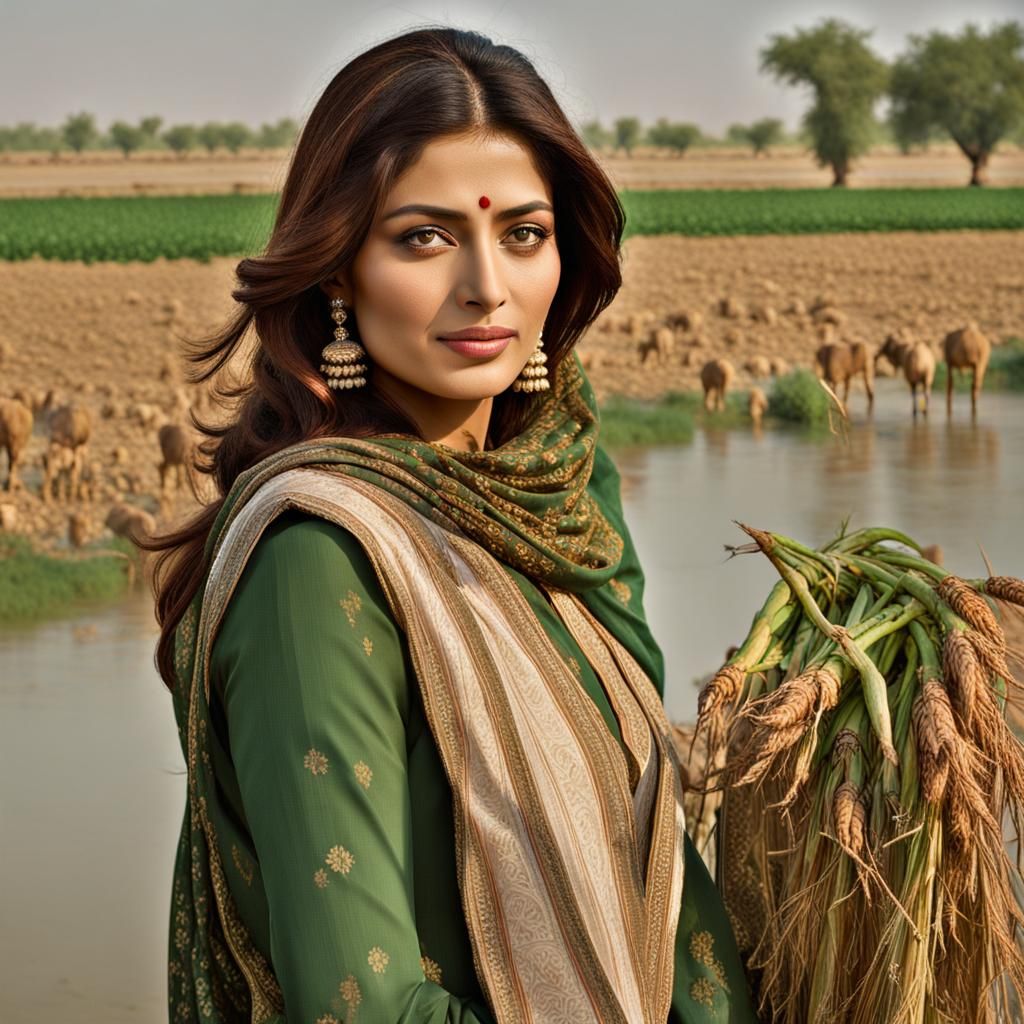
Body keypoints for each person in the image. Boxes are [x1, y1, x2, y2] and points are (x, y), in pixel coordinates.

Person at [145, 26, 756, 1024]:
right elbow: (363, 1007)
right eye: (424, 237)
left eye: (523, 234)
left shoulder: (562, 504)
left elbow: (656, 890)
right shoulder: (319, 560)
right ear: (337, 269)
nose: (486, 286)